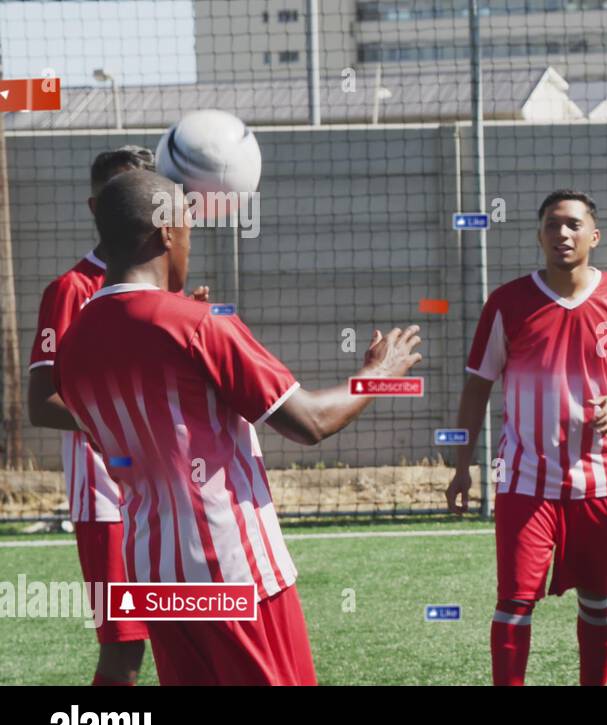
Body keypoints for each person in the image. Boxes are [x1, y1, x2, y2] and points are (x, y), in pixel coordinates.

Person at [53, 169, 421, 685]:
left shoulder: (73, 345)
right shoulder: (200, 324)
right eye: (187, 229)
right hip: (232, 570)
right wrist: (377, 376)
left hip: (155, 575)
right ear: (166, 232)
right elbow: (309, 421)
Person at [445, 189, 607, 686]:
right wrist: (461, 466)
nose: (561, 234)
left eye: (572, 225)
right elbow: (477, 386)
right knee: (514, 601)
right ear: (539, 235)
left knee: (597, 599)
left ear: (594, 236)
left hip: (599, 483)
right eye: (551, 225)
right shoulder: (507, 302)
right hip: (524, 481)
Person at [27, 147, 162, 686]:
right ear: (94, 206)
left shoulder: (165, 289)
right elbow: (42, 405)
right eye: (115, 194)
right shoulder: (70, 290)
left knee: (185, 636)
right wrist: (119, 422)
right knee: (124, 653)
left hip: (168, 498)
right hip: (109, 503)